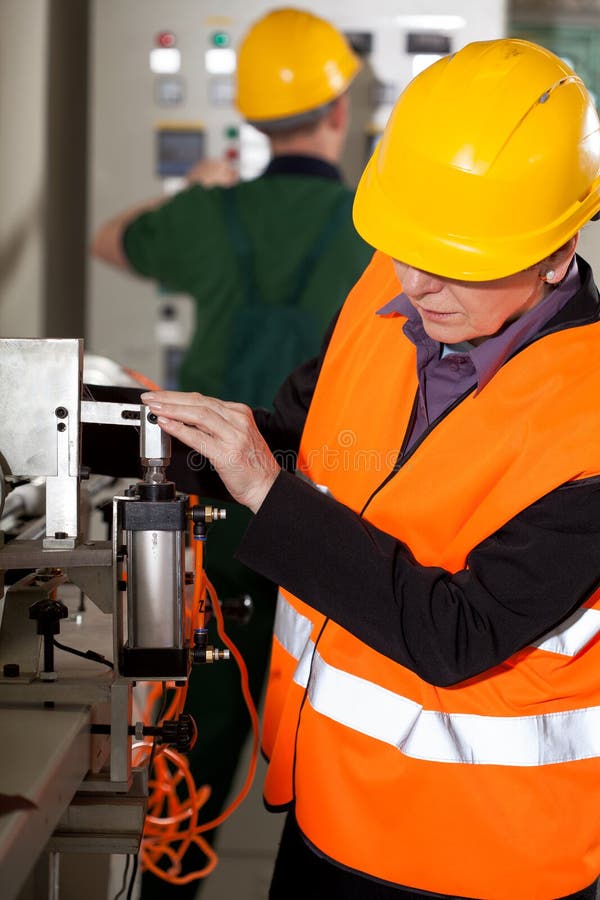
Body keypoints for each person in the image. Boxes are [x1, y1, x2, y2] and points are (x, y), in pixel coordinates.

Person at [139, 38, 600, 900]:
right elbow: (297, 442)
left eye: (460, 258)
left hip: (479, 859)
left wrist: (264, 491)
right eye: (406, 244)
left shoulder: (591, 419)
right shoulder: (388, 290)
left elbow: (455, 632)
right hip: (327, 813)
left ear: (555, 248)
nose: (420, 285)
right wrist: (148, 435)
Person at [91, 7, 372, 896]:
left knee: (182, 760)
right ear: (340, 112)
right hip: (321, 512)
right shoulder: (378, 232)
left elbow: (109, 240)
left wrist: (195, 193)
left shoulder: (211, 214)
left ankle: (172, 883)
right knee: (339, 751)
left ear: (251, 119)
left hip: (202, 513)